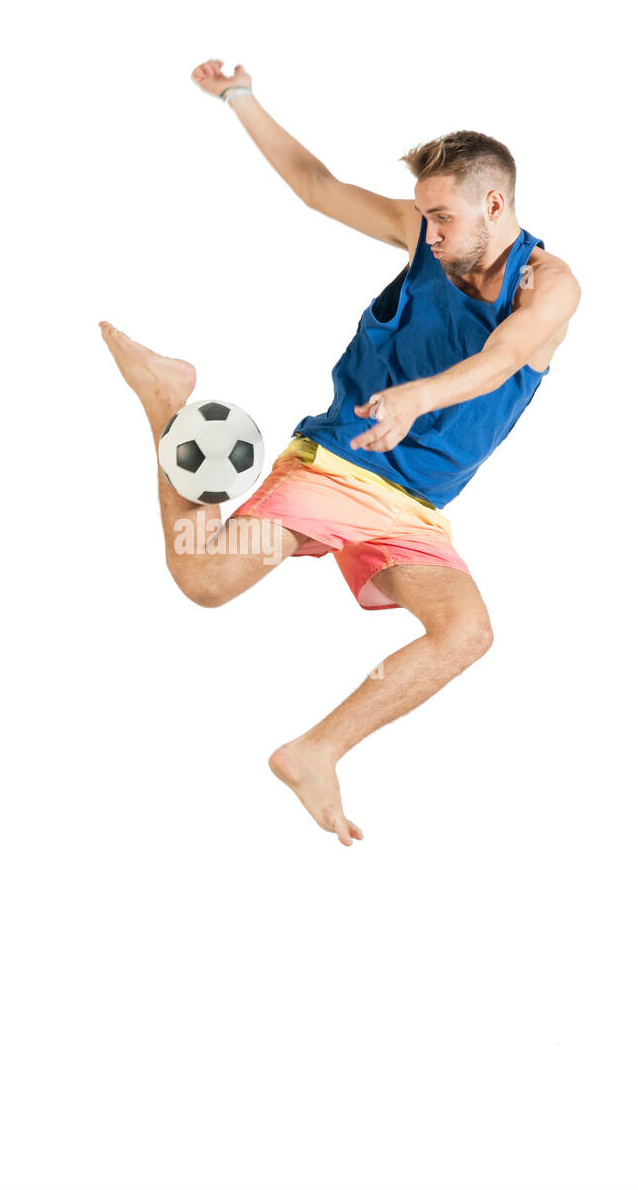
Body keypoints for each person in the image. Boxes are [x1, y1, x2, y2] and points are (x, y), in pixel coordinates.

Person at [98, 58, 581, 848]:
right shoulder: (430, 243)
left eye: (442, 218)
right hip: (339, 466)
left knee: (466, 632)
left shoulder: (549, 286)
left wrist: (421, 397)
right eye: (423, 216)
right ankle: (167, 405)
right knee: (203, 577)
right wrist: (240, 98)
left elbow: (506, 357)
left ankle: (315, 749)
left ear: (496, 203)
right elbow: (315, 185)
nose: (427, 232)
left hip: (413, 512)